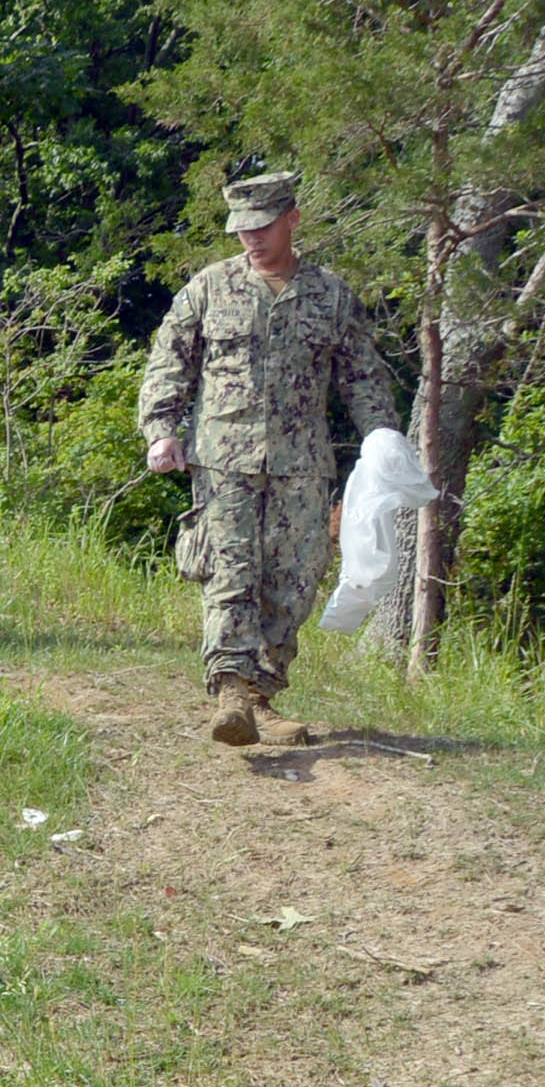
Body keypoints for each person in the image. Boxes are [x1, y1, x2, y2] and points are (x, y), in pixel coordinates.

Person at [139, 172, 401, 747]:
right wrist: (161, 429)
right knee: (230, 573)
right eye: (241, 230)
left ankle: (261, 697)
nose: (250, 240)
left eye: (260, 227)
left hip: (302, 466)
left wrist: (383, 442)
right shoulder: (209, 289)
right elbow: (169, 363)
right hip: (223, 459)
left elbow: (362, 378)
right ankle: (231, 690)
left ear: (292, 219)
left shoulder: (331, 296)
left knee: (294, 580)